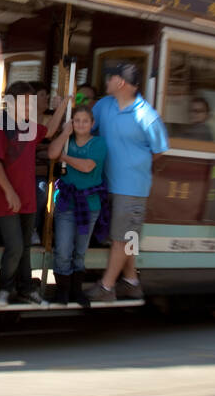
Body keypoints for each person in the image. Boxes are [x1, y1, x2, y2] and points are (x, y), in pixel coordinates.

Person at [88, 62, 169, 303]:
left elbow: (159, 150)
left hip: (132, 188)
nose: (105, 82)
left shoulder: (148, 116)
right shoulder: (104, 105)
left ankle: (106, 287)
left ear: (120, 82)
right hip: (106, 184)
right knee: (126, 237)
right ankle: (132, 282)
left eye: (109, 78)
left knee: (121, 238)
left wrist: (133, 165)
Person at [0, 81, 64, 305]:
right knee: (15, 247)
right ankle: (4, 289)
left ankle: (26, 289)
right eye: (26, 102)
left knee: (25, 248)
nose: (30, 106)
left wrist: (64, 105)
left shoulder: (28, 126)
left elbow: (49, 131)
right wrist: (9, 192)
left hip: (28, 197)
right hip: (5, 197)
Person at [47, 103, 107, 306]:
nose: (81, 124)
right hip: (66, 203)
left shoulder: (99, 143)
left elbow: (87, 166)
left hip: (90, 205)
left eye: (85, 121)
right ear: (72, 123)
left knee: (80, 251)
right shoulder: (67, 140)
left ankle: (76, 291)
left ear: (92, 123)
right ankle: (62, 291)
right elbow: (51, 153)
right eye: (77, 120)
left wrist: (63, 157)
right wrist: (64, 134)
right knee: (63, 249)